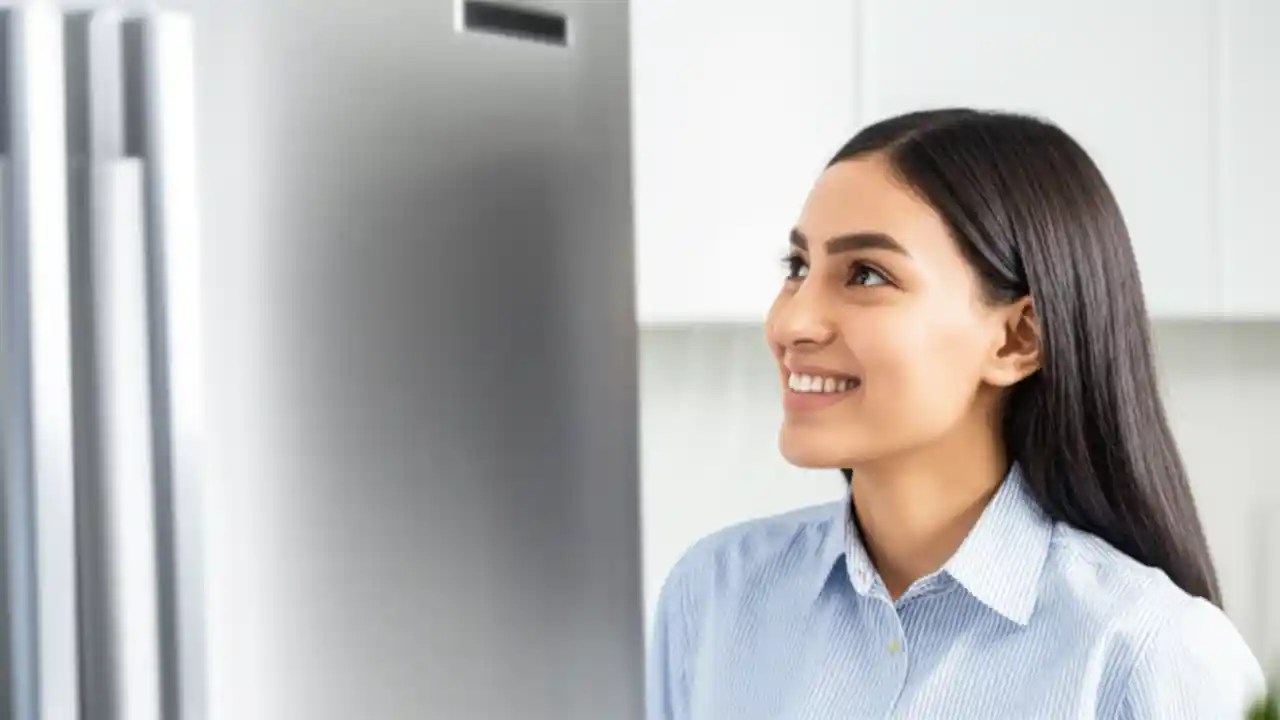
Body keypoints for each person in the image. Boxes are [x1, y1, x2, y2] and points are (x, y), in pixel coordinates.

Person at [645, 109, 1266, 719]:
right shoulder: (714, 597)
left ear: (1018, 339)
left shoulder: (1152, 654)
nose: (791, 323)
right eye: (798, 268)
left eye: (866, 275)